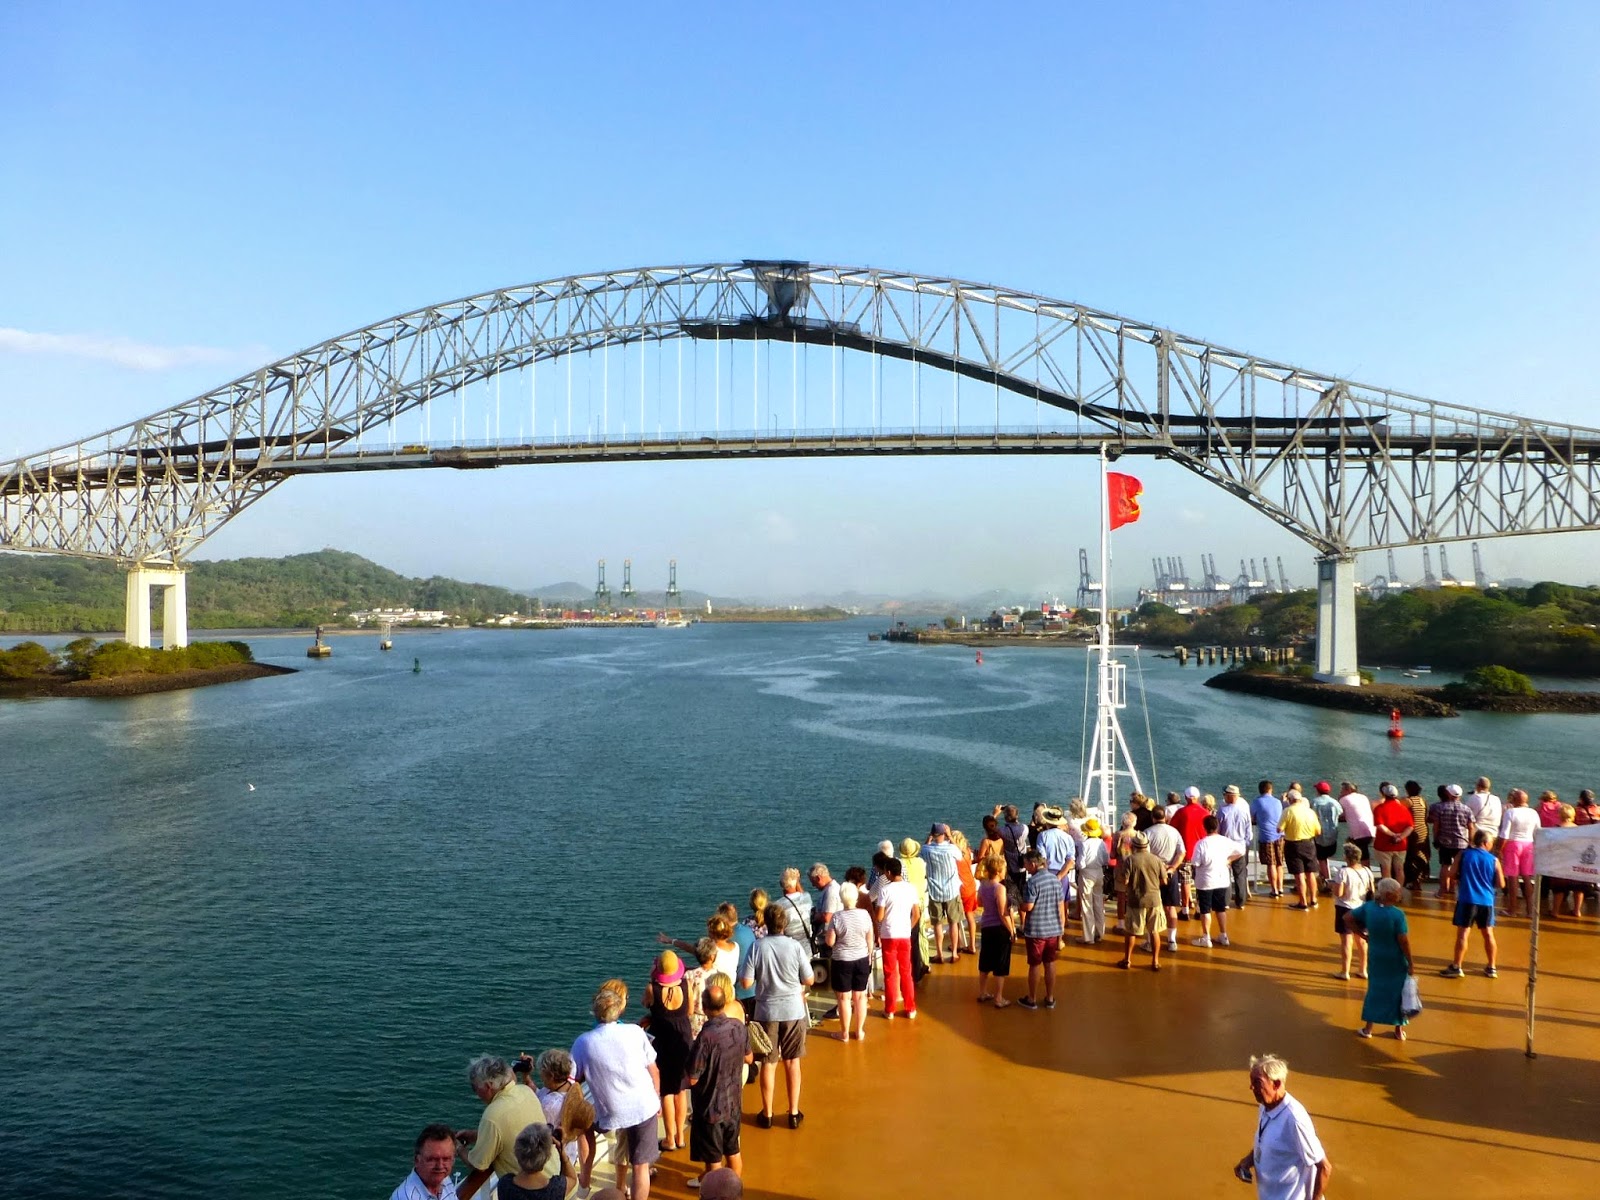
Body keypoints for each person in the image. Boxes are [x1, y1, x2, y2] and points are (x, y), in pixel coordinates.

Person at [571, 983, 662, 1200]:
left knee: (582, 1127)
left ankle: (584, 1180)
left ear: (595, 1013)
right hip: (644, 1106)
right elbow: (654, 1070)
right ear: (619, 1011)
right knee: (640, 1167)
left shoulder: (583, 1042)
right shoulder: (635, 1032)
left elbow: (572, 1079)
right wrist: (657, 1098)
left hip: (610, 1112)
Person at [740, 905, 815, 1128]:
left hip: (767, 1011)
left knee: (768, 1063)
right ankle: (793, 1113)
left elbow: (746, 982)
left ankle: (767, 1114)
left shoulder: (757, 947)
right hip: (793, 1010)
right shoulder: (795, 946)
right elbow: (809, 979)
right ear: (785, 924)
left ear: (766, 923)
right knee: (792, 1062)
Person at [1234, 1054, 1332, 1200]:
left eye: (1257, 1082)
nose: (1251, 1087)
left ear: (1276, 1084)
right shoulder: (1265, 1106)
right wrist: (1247, 1161)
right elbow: (1266, 1143)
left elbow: (1324, 1167)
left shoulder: (1295, 1120)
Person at [685, 979, 752, 1188]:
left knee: (713, 1159)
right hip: (733, 1104)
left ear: (704, 1008)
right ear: (724, 1004)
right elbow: (749, 1058)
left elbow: (693, 1077)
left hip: (711, 1108)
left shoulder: (705, 1037)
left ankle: (717, 1193)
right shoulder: (738, 1027)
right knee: (733, 1152)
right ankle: (734, 1190)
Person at [454, 1056, 551, 1200]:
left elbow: (479, 1165)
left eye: (475, 1088)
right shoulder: (525, 1091)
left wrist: (458, 1147)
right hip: (551, 1178)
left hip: (530, 1192)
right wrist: (475, 1135)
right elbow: (509, 1132)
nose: (476, 1094)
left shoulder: (492, 1115)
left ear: (488, 1086)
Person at [1345, 877, 1415, 1040]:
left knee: (1375, 990)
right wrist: (1410, 962)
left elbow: (1347, 918)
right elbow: (1403, 940)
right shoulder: (1398, 915)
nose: (1399, 894)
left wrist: (1362, 934)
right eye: (1397, 892)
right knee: (1398, 992)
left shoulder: (1369, 908)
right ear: (1389, 894)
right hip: (1395, 958)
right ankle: (1398, 1029)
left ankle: (1368, 1028)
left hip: (1376, 956)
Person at [643, 950, 693, 1153]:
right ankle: (681, 1136)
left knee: (667, 1091)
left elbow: (646, 1003)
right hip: (682, 1038)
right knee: (680, 1089)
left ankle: (670, 1139)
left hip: (662, 1040)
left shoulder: (652, 989)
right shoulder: (686, 985)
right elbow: (689, 1011)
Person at [1440, 830, 1504, 978]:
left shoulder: (1463, 855)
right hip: (1486, 901)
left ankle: (1457, 966)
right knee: (1488, 934)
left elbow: (1451, 874)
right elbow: (1501, 883)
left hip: (1467, 899)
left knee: (1463, 933)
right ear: (1486, 843)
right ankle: (1492, 967)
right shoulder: (1494, 860)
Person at [533, 1049, 597, 1193]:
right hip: (569, 1153)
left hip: (554, 1159)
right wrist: (527, 1078)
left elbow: (538, 1127)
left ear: (550, 1075)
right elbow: (541, 1093)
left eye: (542, 1073)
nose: (540, 1076)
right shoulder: (569, 1087)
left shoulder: (550, 1105)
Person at [823, 880, 874, 1040]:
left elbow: (830, 942)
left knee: (844, 998)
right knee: (860, 997)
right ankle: (859, 1031)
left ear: (841, 899)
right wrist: (869, 955)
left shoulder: (837, 917)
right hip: (862, 959)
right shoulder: (864, 914)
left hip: (842, 961)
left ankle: (844, 1033)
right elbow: (870, 937)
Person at [871, 855, 921, 1019]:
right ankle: (910, 1008)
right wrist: (908, 927)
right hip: (904, 935)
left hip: (889, 935)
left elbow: (879, 917)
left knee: (890, 973)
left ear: (889, 872)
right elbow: (916, 914)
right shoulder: (911, 888)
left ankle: (890, 1009)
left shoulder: (885, 890)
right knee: (906, 972)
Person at [1018, 848, 1065, 1008]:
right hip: (1053, 929)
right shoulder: (1055, 880)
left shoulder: (1032, 882)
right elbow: (1060, 906)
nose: (1025, 868)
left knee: (1035, 964)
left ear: (1033, 864)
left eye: (1026, 864)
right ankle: (1050, 997)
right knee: (1050, 963)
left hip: (1036, 930)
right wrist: (1061, 929)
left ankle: (1032, 998)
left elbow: (1028, 906)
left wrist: (1019, 904)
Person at [1190, 814, 1242, 947]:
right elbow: (1241, 850)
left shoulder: (1201, 843)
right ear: (1217, 827)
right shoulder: (1225, 841)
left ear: (1204, 828)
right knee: (1220, 909)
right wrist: (1229, 859)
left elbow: (1195, 862)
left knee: (1205, 910)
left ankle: (1206, 937)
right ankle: (1223, 935)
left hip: (1205, 881)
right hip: (1221, 879)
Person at [1121, 831, 1168, 970]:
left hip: (1136, 900)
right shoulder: (1156, 859)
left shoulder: (1130, 860)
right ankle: (1155, 961)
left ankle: (1127, 960)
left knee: (1131, 931)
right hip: (1154, 900)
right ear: (1147, 845)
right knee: (1154, 931)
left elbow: (1125, 881)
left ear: (1133, 846)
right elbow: (1164, 881)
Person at [497, 1123, 578, 1200]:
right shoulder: (555, 1189)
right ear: (546, 1157)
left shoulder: (505, 1186)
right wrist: (562, 1153)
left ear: (517, 1151)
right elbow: (572, 1178)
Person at [975, 854, 1015, 1007]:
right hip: (999, 929)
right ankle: (999, 998)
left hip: (986, 926)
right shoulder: (1000, 888)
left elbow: (979, 902)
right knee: (1000, 963)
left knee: (985, 960)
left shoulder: (983, 885)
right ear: (998, 871)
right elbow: (1003, 913)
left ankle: (983, 992)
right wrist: (1011, 931)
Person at [921, 823, 964, 963]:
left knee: (937, 924)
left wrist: (928, 839)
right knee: (953, 923)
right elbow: (960, 856)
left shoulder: (926, 850)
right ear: (944, 834)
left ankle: (939, 954)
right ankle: (954, 953)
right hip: (951, 890)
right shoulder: (951, 848)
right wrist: (950, 836)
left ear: (932, 835)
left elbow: (921, 853)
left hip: (935, 891)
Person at [1331, 841, 1373, 981]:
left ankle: (1345, 971)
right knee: (1361, 940)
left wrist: (1332, 886)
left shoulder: (1343, 872)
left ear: (1347, 857)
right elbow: (1372, 890)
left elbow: (1339, 893)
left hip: (1345, 908)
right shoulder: (1367, 871)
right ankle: (1363, 970)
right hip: (1362, 908)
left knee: (1346, 941)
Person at [1145, 806, 1185, 951]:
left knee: (1151, 908)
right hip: (1170, 873)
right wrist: (1173, 867)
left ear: (1153, 818)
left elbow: (1145, 854)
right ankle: (1172, 941)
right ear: (1165, 818)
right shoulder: (1174, 832)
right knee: (1170, 907)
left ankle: (1150, 942)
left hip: (1153, 874)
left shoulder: (1147, 832)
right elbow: (1182, 852)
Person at [1277, 788, 1322, 910]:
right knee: (1310, 873)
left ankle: (1303, 902)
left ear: (1290, 800)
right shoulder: (1310, 811)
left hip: (1294, 845)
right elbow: (1318, 831)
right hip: (1309, 844)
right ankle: (1313, 899)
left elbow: (1279, 829)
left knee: (1299, 875)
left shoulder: (1288, 811)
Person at [1499, 787, 1540, 917]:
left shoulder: (1510, 812)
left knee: (1513, 876)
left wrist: (1498, 849)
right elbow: (1538, 831)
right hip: (1529, 845)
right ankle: (1530, 910)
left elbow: (1504, 834)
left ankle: (1512, 910)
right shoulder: (1533, 813)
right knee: (1527, 877)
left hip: (1513, 844)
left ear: (1515, 800)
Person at [1429, 784, 1474, 898]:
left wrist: (1435, 839)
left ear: (1449, 794)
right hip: (1462, 843)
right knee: (1459, 867)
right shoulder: (1466, 809)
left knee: (1445, 865)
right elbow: (1471, 827)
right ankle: (1454, 889)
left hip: (1446, 842)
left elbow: (1436, 826)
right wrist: (1471, 842)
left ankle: (1442, 891)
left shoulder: (1440, 808)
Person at [392, 1124, 460, 1200]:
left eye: (446, 1159)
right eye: (432, 1159)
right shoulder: (406, 1197)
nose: (440, 1166)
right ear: (417, 1160)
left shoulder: (443, 1178)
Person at [1171, 786, 1210, 916]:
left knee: (1185, 881)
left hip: (1186, 852)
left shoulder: (1181, 812)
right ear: (1198, 797)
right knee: (1200, 881)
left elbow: (1172, 829)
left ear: (1186, 797)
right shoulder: (1205, 813)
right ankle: (1199, 909)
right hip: (1201, 852)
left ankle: (1185, 909)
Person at [1218, 784, 1254, 909]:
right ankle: (1241, 901)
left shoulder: (1222, 811)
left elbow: (1218, 830)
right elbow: (1249, 832)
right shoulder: (1244, 811)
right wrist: (1245, 844)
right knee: (1240, 874)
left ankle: (1226, 901)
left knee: (1225, 874)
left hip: (1226, 847)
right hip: (1240, 846)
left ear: (1229, 796)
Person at [1076, 817, 1110, 944]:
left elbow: (1081, 863)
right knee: (1098, 903)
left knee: (1087, 904)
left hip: (1087, 873)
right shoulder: (1102, 843)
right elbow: (1106, 860)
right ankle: (1100, 933)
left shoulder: (1084, 844)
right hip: (1099, 872)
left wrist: (1077, 865)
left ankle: (1088, 937)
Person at [1371, 783, 1413, 883]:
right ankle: (1399, 890)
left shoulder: (1379, 808)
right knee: (1399, 869)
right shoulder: (1404, 809)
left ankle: (1388, 890)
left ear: (1384, 794)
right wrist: (1400, 837)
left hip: (1383, 844)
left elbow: (1380, 826)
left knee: (1386, 869)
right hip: (1401, 844)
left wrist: (1393, 834)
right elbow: (1410, 827)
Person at [1251, 781, 1285, 897]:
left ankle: (1274, 889)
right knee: (1279, 863)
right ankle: (1280, 888)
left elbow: (1252, 817)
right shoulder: (1278, 802)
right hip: (1280, 835)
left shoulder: (1257, 802)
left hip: (1266, 836)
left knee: (1271, 864)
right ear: (1270, 790)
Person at [951, 828, 981, 954]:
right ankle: (972, 945)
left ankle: (958, 943)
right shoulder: (968, 851)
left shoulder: (954, 855)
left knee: (956, 917)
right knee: (970, 915)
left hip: (960, 888)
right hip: (970, 885)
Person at [1309, 782, 1342, 894]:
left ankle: (1327, 882)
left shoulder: (1314, 802)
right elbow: (1341, 813)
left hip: (1319, 835)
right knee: (1324, 858)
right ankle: (1324, 878)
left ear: (1318, 791)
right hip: (1333, 835)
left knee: (1321, 858)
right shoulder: (1335, 802)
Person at [775, 868, 815, 951]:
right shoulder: (806, 898)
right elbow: (801, 894)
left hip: (789, 950)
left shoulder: (778, 905)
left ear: (781, 884)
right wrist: (797, 881)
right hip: (808, 950)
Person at [1402, 779, 1431, 889]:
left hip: (1413, 832)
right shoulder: (1422, 800)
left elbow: (1399, 812)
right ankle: (1418, 880)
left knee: (1411, 857)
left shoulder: (1408, 801)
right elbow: (1425, 816)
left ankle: (1413, 881)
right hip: (1424, 830)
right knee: (1422, 855)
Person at [1337, 781, 1376, 863]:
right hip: (1371, 829)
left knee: (1361, 851)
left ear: (1348, 790)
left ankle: (1364, 868)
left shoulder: (1344, 799)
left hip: (1359, 832)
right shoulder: (1363, 797)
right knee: (1351, 844)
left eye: (1342, 790)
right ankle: (1356, 865)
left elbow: (1340, 814)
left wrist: (1339, 799)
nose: (1340, 792)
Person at [1112, 811, 1139, 931]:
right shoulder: (1138, 835)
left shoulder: (1118, 835)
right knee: (1135, 896)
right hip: (1135, 869)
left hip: (1121, 869)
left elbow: (1113, 854)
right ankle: (1135, 921)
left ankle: (1121, 924)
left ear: (1123, 822)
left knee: (1121, 898)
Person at [1466, 776, 1503, 848]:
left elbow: (1466, 815)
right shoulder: (1497, 799)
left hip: (1478, 835)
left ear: (1478, 786)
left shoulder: (1474, 798)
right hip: (1493, 835)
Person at [808, 863, 842, 937]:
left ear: (818, 878)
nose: (813, 885)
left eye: (813, 882)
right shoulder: (832, 888)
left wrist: (814, 916)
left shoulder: (831, 891)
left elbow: (827, 916)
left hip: (827, 936)